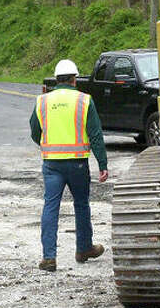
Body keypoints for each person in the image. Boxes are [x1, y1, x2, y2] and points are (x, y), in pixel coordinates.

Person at [29, 58, 108, 270]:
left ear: (56, 80)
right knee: (81, 204)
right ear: (75, 79)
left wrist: (48, 145)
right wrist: (103, 163)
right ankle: (83, 249)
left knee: (51, 206)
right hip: (77, 164)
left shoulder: (43, 101)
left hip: (52, 164)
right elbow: (95, 134)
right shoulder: (84, 100)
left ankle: (49, 258)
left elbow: (35, 132)